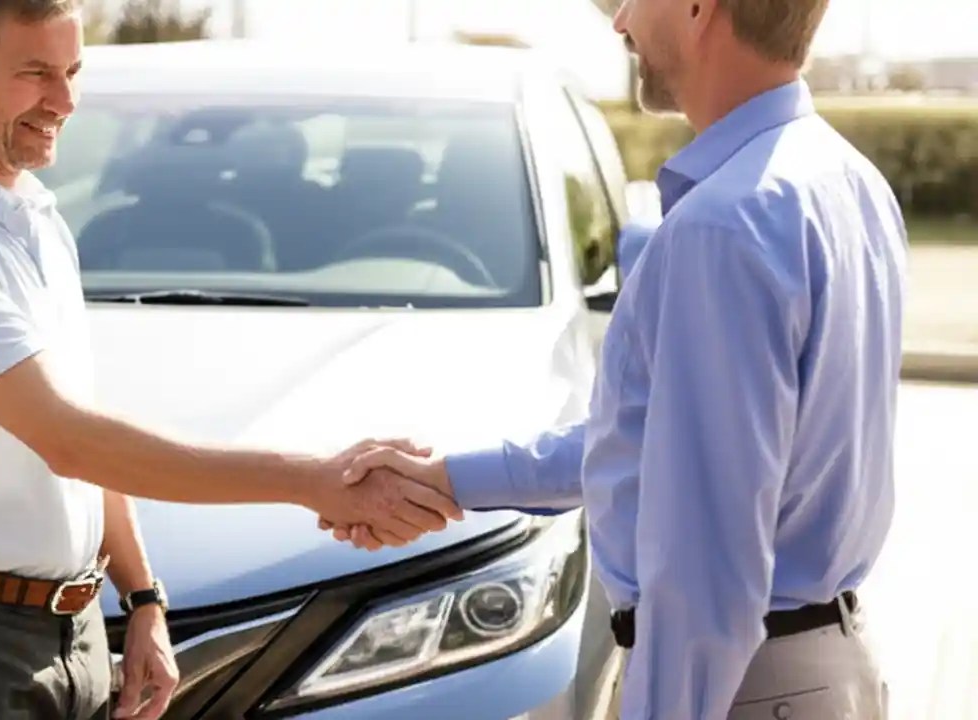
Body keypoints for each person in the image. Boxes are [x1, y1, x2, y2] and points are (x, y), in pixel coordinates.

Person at [0, 2, 461, 719]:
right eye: (37, 73)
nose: (65, 102)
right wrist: (312, 481)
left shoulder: (33, 215)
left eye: (72, 72)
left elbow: (86, 434)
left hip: (75, 632)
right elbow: (67, 438)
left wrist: (143, 600)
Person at [322, 0, 906, 717]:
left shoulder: (723, 226)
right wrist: (446, 480)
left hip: (741, 689)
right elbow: (644, 443)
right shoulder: (848, 180)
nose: (619, 24)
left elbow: (705, 577)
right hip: (816, 672)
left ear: (697, 8)